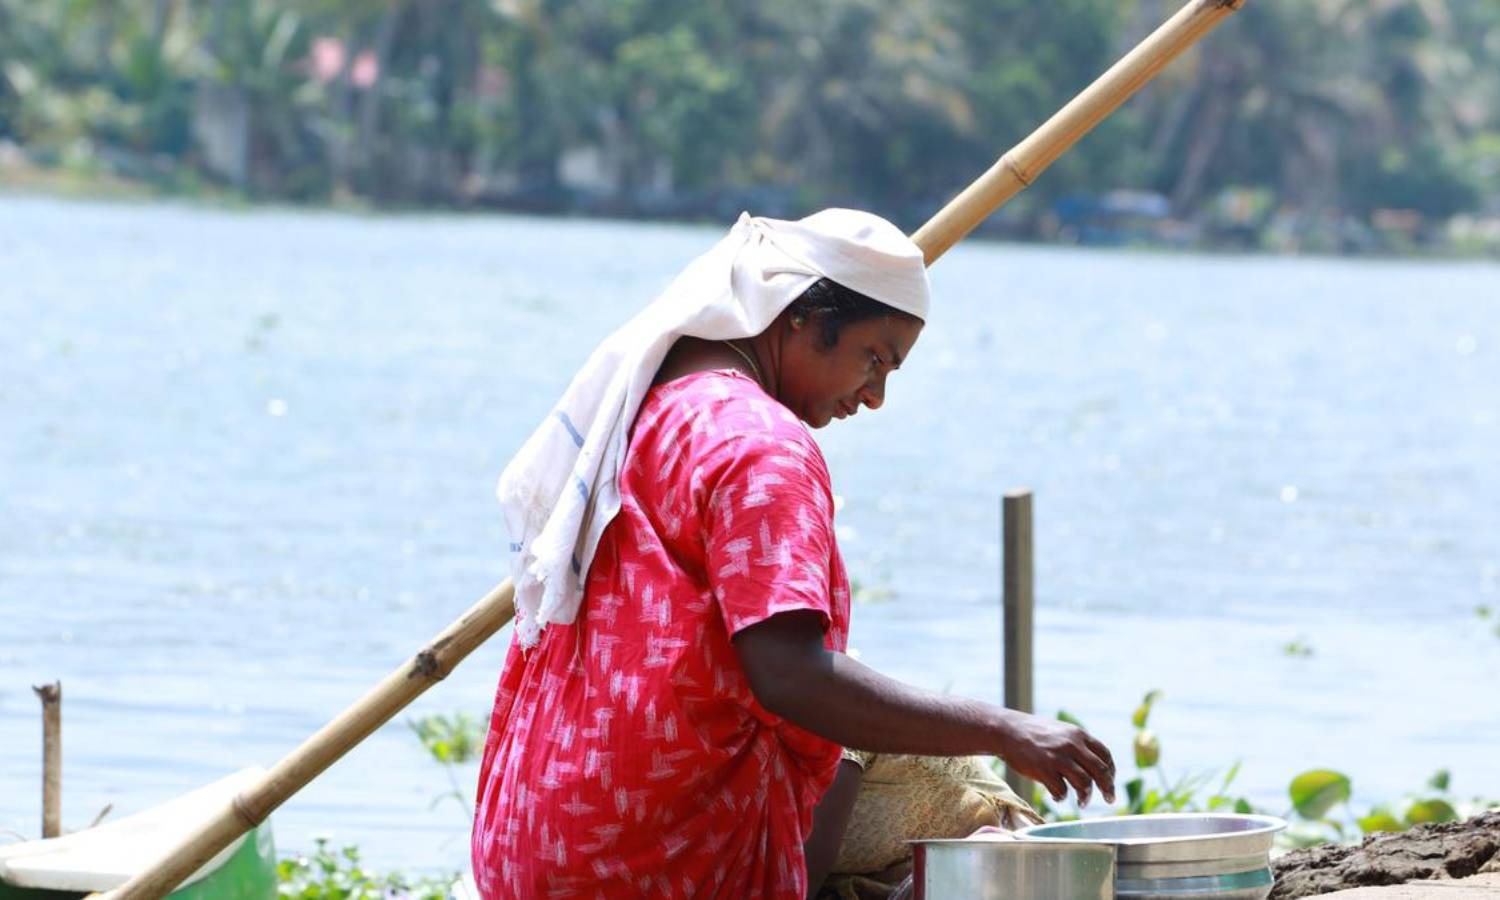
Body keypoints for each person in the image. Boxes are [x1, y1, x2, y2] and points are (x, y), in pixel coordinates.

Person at [471, 209, 1115, 899]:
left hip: (540, 839)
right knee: (991, 842)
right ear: (803, 316)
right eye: (875, 358)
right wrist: (1001, 728)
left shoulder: (658, 406)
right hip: (655, 862)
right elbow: (791, 677)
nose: (875, 396)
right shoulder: (761, 446)